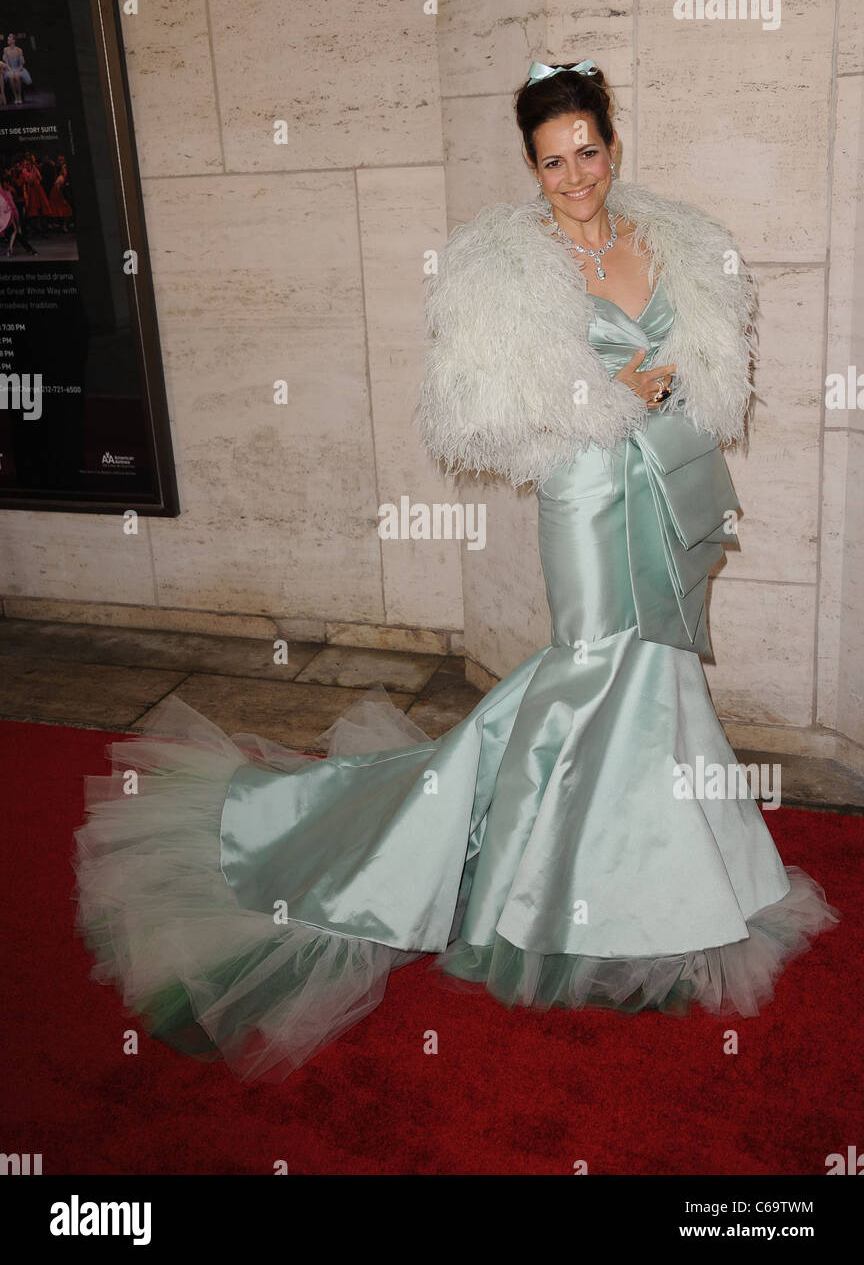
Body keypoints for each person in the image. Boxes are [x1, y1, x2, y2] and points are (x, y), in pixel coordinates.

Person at [72, 59, 839, 1086]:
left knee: (658, 670)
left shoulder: (673, 241)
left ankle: (660, 882)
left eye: (589, 151)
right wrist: (600, 383)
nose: (575, 174)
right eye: (553, 159)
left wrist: (673, 386)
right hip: (582, 486)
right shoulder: (502, 266)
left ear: (613, 144)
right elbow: (479, 406)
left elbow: (705, 361)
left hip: (667, 484)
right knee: (592, 661)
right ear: (530, 164)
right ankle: (517, 880)